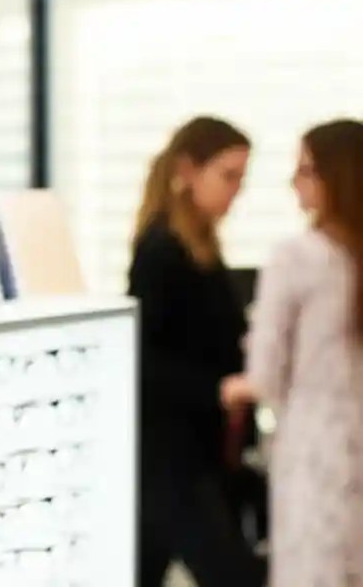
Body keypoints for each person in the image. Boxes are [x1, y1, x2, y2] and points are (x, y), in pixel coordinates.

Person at [126, 116, 265, 587]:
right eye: (228, 176)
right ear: (188, 170)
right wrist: (217, 389)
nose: (236, 192)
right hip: (171, 456)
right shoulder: (161, 250)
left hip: (199, 450)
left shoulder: (203, 246)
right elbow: (144, 359)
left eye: (241, 179)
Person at [227, 119, 363, 586]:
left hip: (313, 449)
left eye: (305, 170)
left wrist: (232, 387)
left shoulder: (298, 257)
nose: (293, 183)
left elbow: (264, 373)